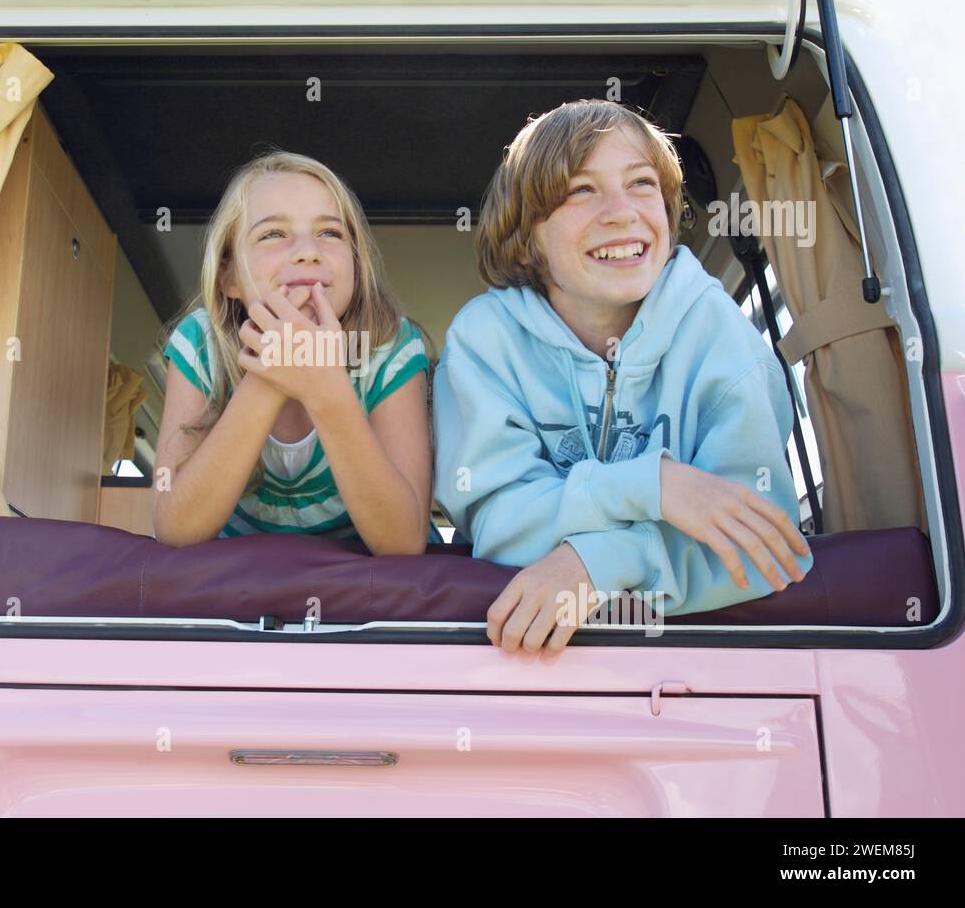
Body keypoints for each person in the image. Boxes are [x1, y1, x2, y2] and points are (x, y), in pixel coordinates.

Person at [433, 99, 813, 655]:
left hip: (694, 671)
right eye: (581, 190)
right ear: (527, 233)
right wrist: (656, 487)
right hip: (526, 668)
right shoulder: (483, 341)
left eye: (641, 184)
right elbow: (499, 521)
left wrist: (602, 562)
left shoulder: (716, 330)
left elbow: (761, 545)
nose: (621, 212)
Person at [154, 150, 435, 555]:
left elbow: (403, 543)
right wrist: (271, 376)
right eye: (273, 234)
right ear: (230, 276)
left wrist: (326, 391)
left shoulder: (389, 347)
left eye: (330, 233)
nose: (308, 251)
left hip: (363, 597)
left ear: (355, 265)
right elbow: (175, 527)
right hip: (240, 596)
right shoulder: (202, 344)